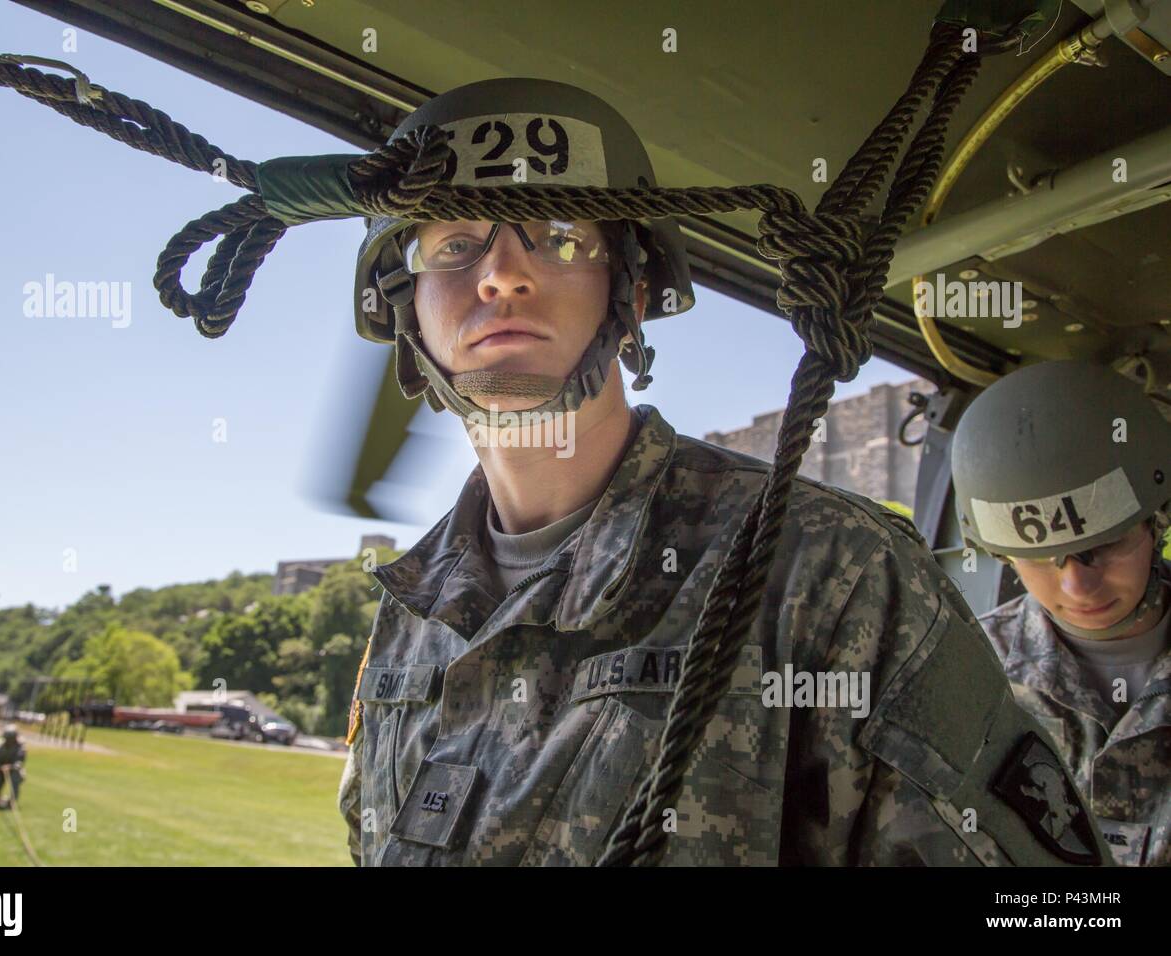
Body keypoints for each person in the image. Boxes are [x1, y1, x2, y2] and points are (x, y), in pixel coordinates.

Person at [337, 77, 1109, 866]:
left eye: (561, 234)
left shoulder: (830, 572)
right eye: (455, 247)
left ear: (632, 291)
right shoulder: (411, 612)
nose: (501, 275)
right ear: (405, 305)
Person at [952, 359, 1170, 866]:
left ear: (1155, 523)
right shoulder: (968, 668)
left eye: (1108, 544)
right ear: (1004, 556)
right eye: (1039, 559)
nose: (1076, 584)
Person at [0, 724, 27, 809]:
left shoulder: (20, 746)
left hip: (14, 770)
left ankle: (11, 802)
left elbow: (20, 761)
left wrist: (11, 767)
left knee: (16, 778)